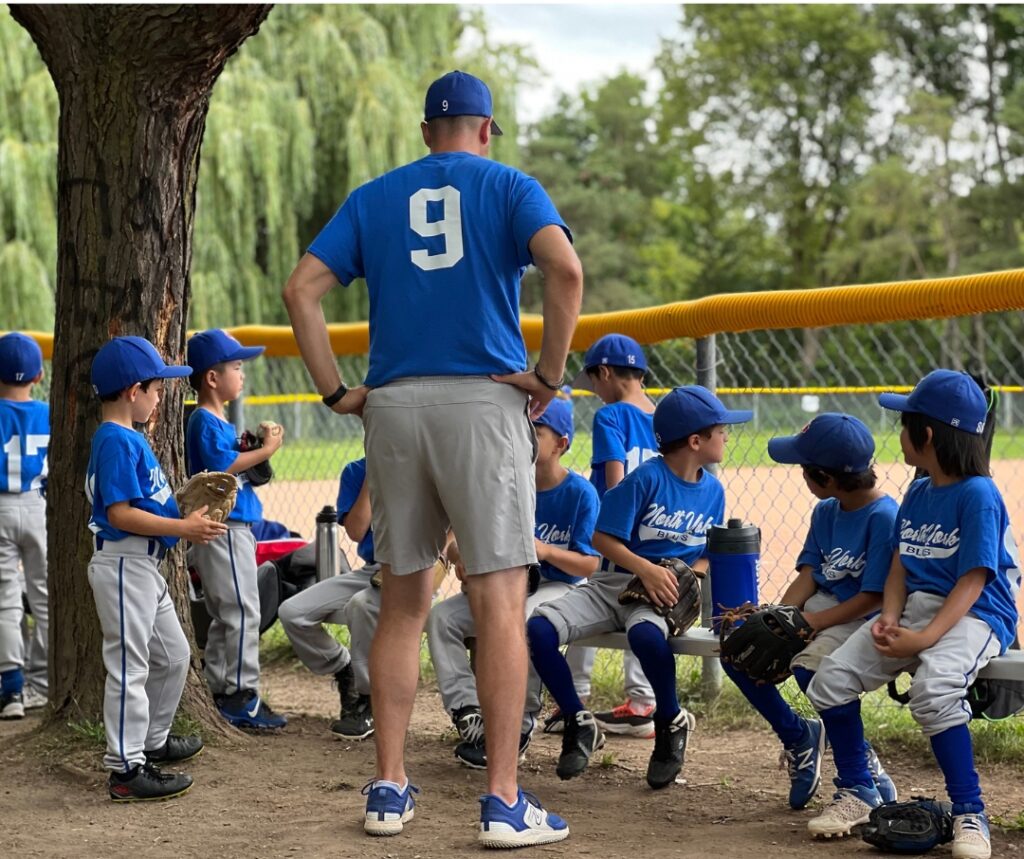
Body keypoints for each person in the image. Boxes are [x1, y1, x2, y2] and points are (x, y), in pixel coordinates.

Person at [284, 69, 582, 847]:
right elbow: (566, 270)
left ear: (426, 133)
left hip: (393, 403)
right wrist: (548, 375)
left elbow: (301, 291)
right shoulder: (510, 185)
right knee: (498, 599)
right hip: (481, 400)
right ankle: (504, 800)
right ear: (486, 129)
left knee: (402, 598)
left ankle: (387, 787)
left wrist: (334, 391)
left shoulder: (376, 194)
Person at [806, 370, 1019, 859]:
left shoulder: (978, 494)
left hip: (977, 614)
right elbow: (901, 562)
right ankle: (858, 789)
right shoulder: (918, 493)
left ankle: (970, 812)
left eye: (904, 425)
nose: (897, 435)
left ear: (926, 435)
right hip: (920, 608)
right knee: (830, 679)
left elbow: (975, 580)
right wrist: (891, 617)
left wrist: (921, 643)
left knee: (933, 689)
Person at [527, 385, 751, 789]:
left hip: (663, 591)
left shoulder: (713, 490)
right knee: (539, 630)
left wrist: (693, 577)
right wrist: (644, 568)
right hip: (614, 582)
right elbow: (601, 540)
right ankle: (579, 721)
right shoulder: (644, 479)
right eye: (721, 430)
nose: (727, 436)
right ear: (696, 441)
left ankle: (668, 719)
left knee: (648, 636)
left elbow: (706, 550)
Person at [721, 413, 898, 809]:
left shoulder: (884, 518)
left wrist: (811, 621)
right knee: (739, 652)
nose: (800, 474)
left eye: (804, 469)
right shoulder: (826, 511)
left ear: (827, 478)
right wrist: (777, 616)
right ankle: (800, 736)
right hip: (820, 610)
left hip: (862, 616)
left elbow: (873, 596)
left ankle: (861, 757)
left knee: (809, 669)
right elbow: (810, 575)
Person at [85, 336, 224, 801]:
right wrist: (182, 526)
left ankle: (151, 742)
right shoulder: (115, 440)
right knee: (130, 667)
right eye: (156, 388)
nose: (161, 396)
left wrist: (181, 509)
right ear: (132, 391)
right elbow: (120, 513)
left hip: (145, 566)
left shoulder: (128, 439)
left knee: (175, 654)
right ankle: (125, 769)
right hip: (124, 561)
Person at [427, 397, 600, 767]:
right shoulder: (504, 484)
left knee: (525, 623)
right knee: (442, 618)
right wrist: (465, 561)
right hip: (508, 585)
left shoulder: (579, 493)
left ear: (562, 444)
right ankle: (469, 713)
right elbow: (460, 541)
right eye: (521, 431)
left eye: (536, 432)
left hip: (559, 587)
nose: (526, 438)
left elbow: (589, 565)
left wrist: (547, 551)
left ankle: (517, 728)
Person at [550, 334, 658, 738]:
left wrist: (614, 525)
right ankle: (643, 700)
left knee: (593, 596)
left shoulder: (611, 416)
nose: (594, 390)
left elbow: (614, 475)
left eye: (594, 381)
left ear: (607, 372)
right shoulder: (663, 416)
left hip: (618, 529)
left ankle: (576, 698)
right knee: (643, 608)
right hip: (655, 528)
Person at [186, 329, 287, 730]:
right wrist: (264, 451)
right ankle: (240, 695)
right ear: (212, 378)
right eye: (237, 367)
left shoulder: (221, 421)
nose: (242, 375)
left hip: (235, 528)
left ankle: (224, 686)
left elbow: (245, 469)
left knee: (233, 610)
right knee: (239, 610)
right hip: (220, 530)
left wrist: (256, 448)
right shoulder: (202, 420)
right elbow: (219, 469)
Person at [278, 456, 379, 739]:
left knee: (362, 607)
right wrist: (375, 475)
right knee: (293, 612)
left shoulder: (421, 459)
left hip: (414, 572)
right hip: (374, 570)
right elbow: (357, 531)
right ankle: (343, 667)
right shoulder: (357, 470)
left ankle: (368, 701)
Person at [0, 334, 50, 718]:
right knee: (44, 596)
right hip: (38, 507)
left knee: (5, 599)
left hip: (1, 508)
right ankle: (42, 683)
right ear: (39, 373)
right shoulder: (49, 413)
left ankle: (11, 689)